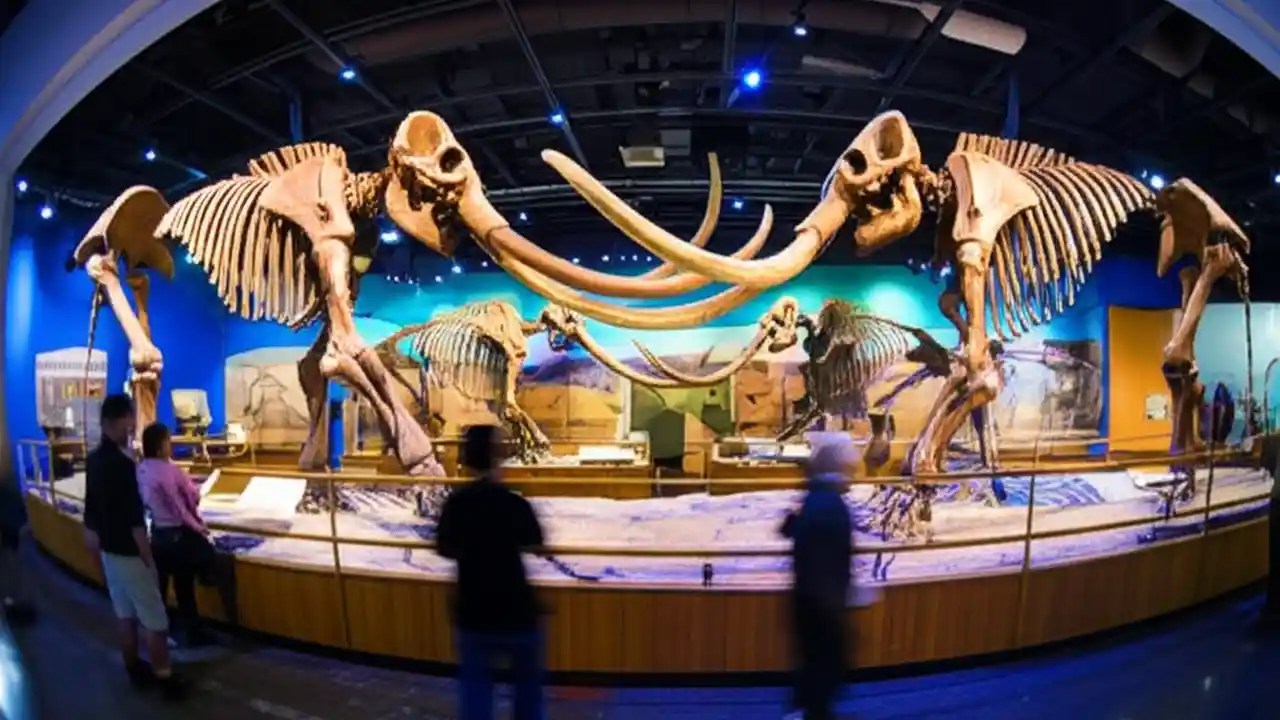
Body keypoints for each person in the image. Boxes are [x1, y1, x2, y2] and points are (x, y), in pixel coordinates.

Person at [436, 424, 546, 720]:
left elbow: (444, 547)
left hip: (472, 612)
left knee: (475, 696)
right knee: (528, 694)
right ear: (497, 457)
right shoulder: (514, 502)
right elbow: (535, 540)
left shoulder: (455, 505)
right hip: (516, 612)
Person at [82, 395, 182, 698]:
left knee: (124, 615)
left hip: (108, 551)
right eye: (130, 419)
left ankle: (133, 668)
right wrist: (148, 557)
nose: (131, 425)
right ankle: (165, 679)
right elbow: (133, 517)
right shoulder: (122, 465)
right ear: (123, 418)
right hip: (129, 551)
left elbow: (91, 513)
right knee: (155, 619)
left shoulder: (94, 460)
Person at [780, 433, 856, 720]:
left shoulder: (816, 497)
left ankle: (807, 711)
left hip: (812, 597)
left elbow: (795, 532)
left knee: (813, 663)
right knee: (824, 663)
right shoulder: (829, 504)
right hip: (822, 601)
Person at [138, 422, 215, 647]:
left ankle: (160, 633)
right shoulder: (171, 470)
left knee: (159, 589)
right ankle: (193, 633)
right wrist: (197, 525)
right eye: (168, 441)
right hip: (177, 537)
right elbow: (184, 502)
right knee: (184, 588)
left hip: (157, 536)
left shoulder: (141, 469)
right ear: (161, 446)